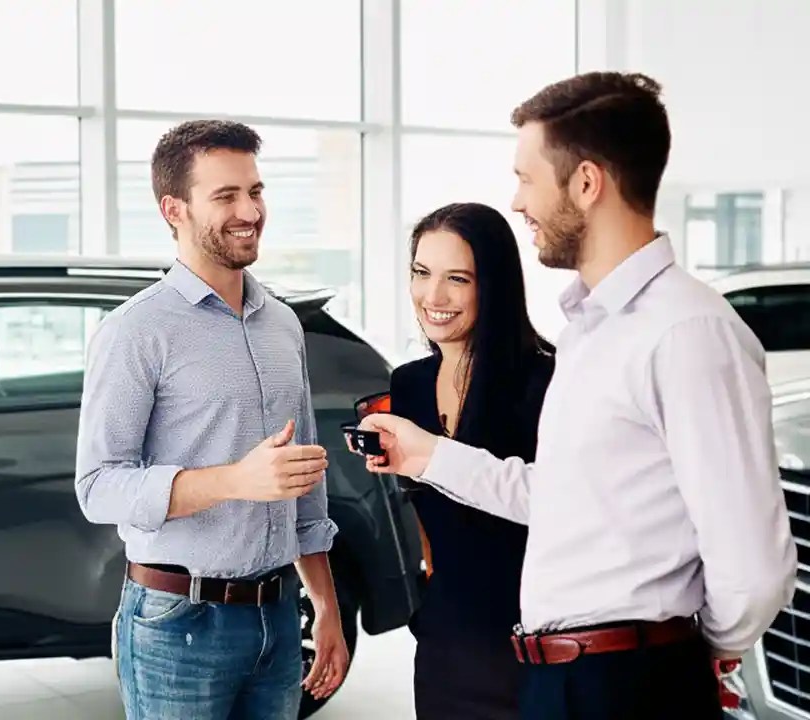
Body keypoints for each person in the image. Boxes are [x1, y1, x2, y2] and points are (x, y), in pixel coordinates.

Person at [358, 71, 796, 719]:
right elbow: (557, 501)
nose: (516, 202)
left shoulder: (688, 331)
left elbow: (753, 565)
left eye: (527, 179)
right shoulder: (595, 331)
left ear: (586, 183)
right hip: (558, 675)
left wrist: (682, 653)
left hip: (628, 679)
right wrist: (428, 455)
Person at [74, 119, 350, 720]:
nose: (249, 211)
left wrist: (324, 603)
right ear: (174, 209)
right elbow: (98, 488)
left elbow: (302, 480)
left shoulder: (283, 324)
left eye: (255, 191)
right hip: (178, 624)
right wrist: (234, 481)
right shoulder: (135, 332)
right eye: (225, 196)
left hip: (279, 615)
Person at [387, 202, 554, 719]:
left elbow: (569, 509)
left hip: (537, 651)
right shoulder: (408, 384)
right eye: (421, 273)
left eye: (456, 278)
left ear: (494, 285)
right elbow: (431, 529)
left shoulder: (547, 382)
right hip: (445, 648)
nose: (432, 297)